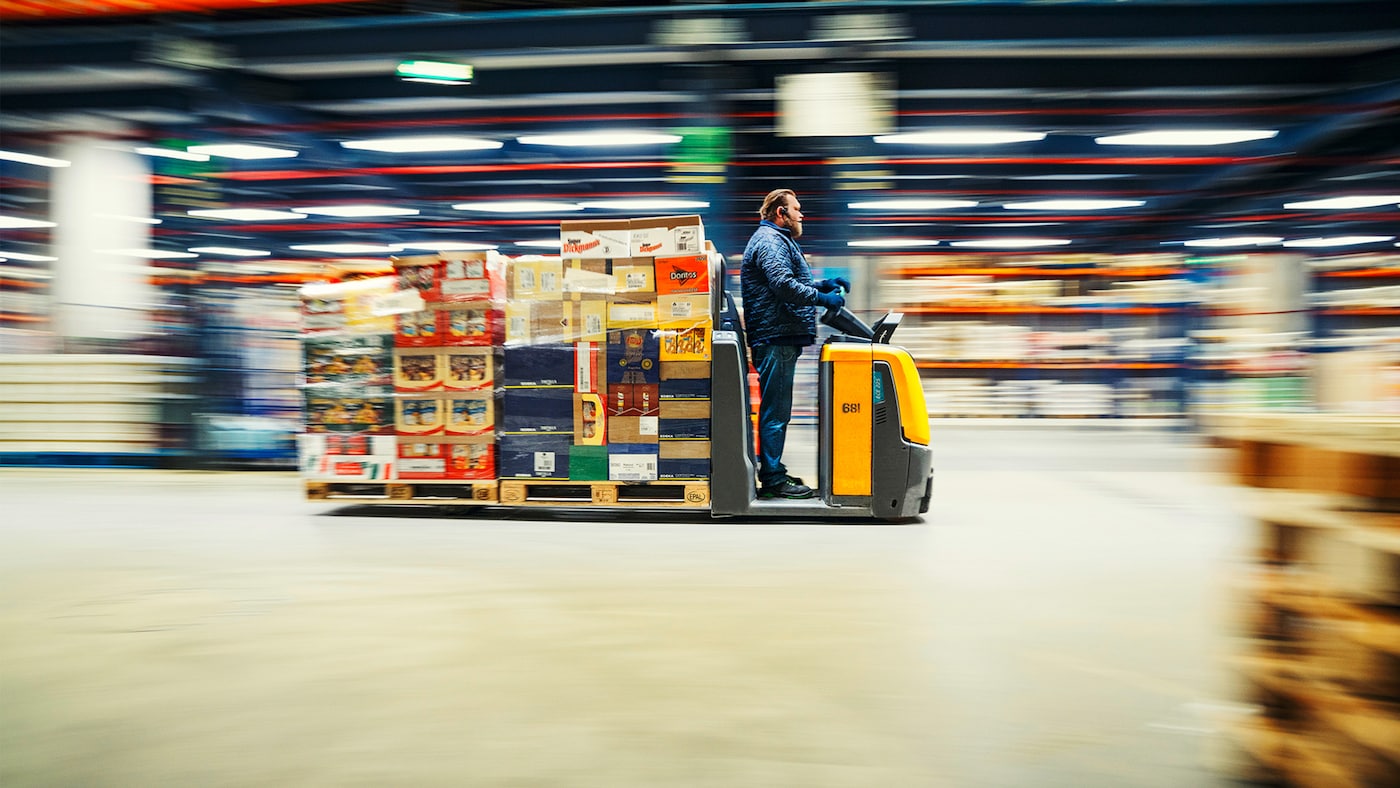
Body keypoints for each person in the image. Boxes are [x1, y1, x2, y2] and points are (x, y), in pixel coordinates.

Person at [740, 188, 850, 499]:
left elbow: (787, 279)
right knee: (776, 411)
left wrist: (822, 283)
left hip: (779, 333)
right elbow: (783, 285)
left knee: (779, 409)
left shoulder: (776, 240)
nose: (802, 215)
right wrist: (821, 298)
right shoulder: (771, 241)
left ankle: (774, 471)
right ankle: (773, 478)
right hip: (775, 336)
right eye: (796, 209)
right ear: (780, 213)